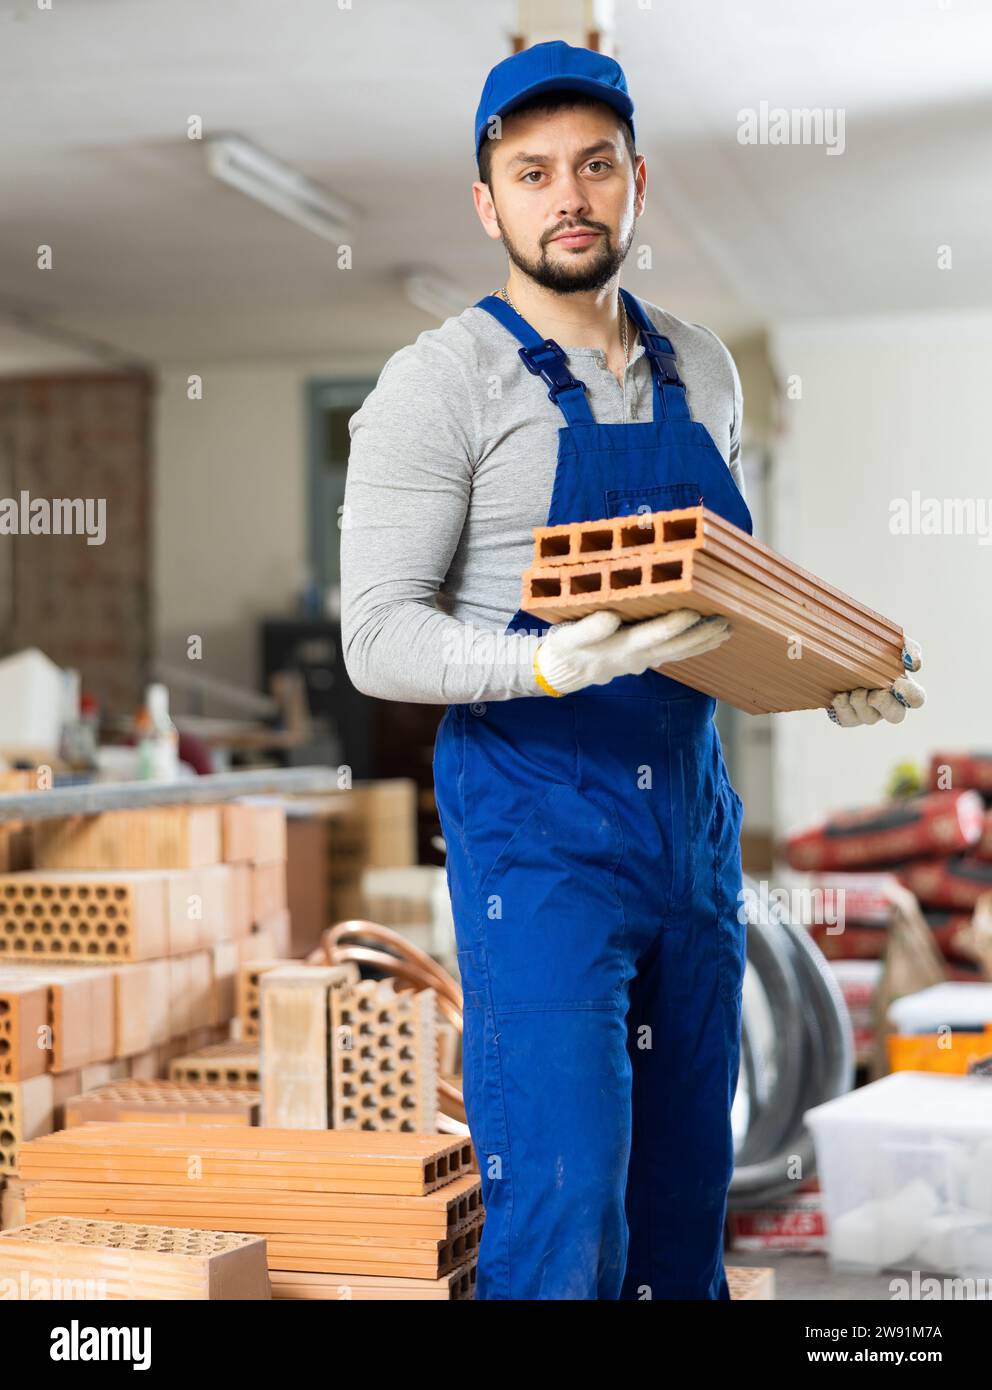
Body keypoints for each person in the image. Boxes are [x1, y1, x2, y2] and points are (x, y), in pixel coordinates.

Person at [340, 40, 925, 1300]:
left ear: (636, 183)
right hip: (538, 840)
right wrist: (545, 660)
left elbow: (722, 602)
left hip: (691, 833)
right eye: (532, 169)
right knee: (567, 1220)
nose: (568, 195)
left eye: (594, 166)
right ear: (485, 202)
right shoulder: (434, 387)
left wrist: (821, 674)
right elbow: (375, 633)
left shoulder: (699, 369)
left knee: (677, 1216)